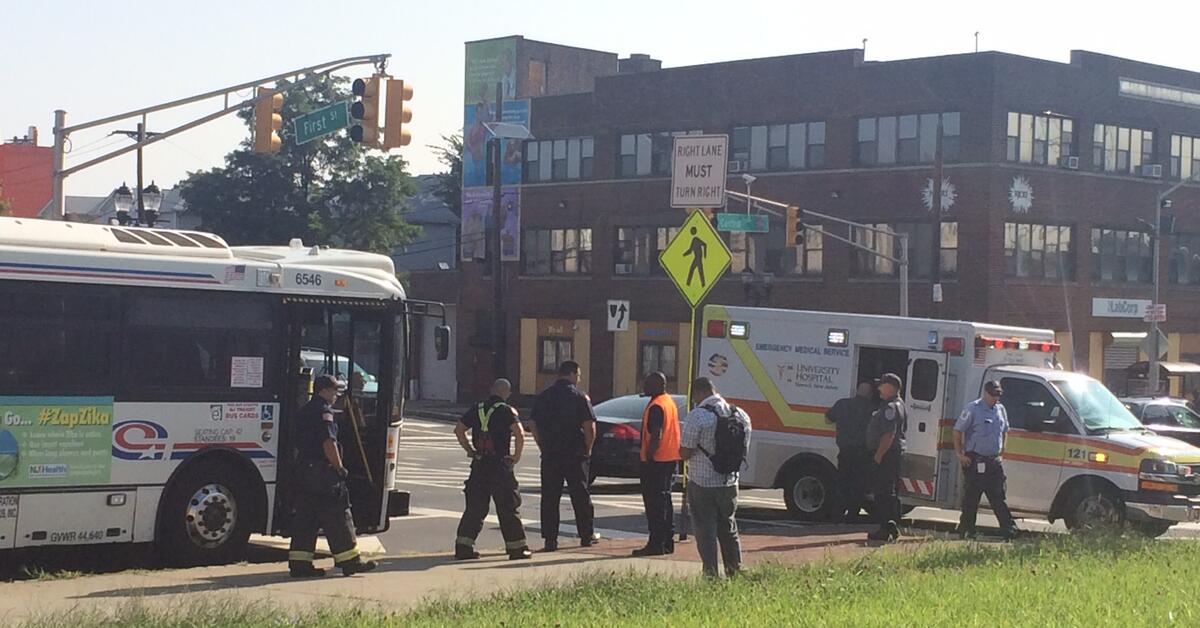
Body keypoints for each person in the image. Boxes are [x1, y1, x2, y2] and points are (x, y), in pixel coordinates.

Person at [288, 375, 377, 578]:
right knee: (338, 515)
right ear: (324, 391)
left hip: (303, 471)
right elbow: (329, 443)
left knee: (306, 519)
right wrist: (339, 468)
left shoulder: (304, 411)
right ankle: (350, 561)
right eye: (334, 391)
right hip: (323, 474)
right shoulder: (324, 412)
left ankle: (299, 564)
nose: (336, 395)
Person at [453, 378, 533, 561]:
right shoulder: (507, 410)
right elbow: (520, 433)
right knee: (508, 507)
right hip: (499, 466)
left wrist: (470, 451)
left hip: (480, 464)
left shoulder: (478, 408)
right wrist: (516, 456)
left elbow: (458, 430)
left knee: (475, 508)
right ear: (507, 393)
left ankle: (464, 547)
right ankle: (517, 548)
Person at [680, 377, 750, 578]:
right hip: (730, 482)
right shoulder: (741, 415)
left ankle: (711, 575)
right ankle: (734, 571)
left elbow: (685, 452)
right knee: (728, 527)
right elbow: (743, 449)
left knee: (705, 531)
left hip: (703, 483)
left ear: (698, 393)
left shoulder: (698, 416)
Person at [530, 361, 599, 552]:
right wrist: (588, 448)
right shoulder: (579, 397)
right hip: (575, 453)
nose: (579, 378)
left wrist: (542, 445)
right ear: (571, 374)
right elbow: (589, 426)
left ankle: (550, 540)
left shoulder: (544, 396)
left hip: (551, 453)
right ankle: (586, 535)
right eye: (578, 375)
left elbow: (533, 423)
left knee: (550, 496)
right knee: (580, 495)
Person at [954, 380, 1019, 540]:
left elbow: (1005, 430)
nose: (995, 398)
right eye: (993, 395)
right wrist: (960, 454)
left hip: (993, 462)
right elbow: (957, 430)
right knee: (971, 498)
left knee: (998, 497)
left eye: (998, 395)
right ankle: (967, 530)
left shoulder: (1000, 410)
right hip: (975, 460)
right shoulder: (972, 409)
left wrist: (1002, 450)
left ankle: (1008, 529)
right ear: (985, 393)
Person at [634, 372, 680, 556]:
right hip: (670, 459)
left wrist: (649, 457)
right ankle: (667, 542)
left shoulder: (656, 406)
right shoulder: (669, 402)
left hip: (657, 462)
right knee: (665, 502)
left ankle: (656, 544)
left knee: (655, 506)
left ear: (659, 385)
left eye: (648, 383)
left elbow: (656, 434)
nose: (644, 386)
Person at [825, 381, 876, 520]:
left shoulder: (842, 404)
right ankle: (853, 514)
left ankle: (837, 513)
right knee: (857, 484)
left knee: (842, 482)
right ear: (870, 395)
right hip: (862, 453)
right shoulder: (871, 409)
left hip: (845, 451)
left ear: (856, 391)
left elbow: (828, 419)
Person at [865, 373, 906, 542]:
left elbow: (888, 434)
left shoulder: (890, 407)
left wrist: (878, 456)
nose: (879, 388)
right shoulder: (899, 404)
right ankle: (892, 526)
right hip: (893, 455)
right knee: (891, 492)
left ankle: (884, 529)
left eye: (881, 385)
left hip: (887, 455)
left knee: (883, 492)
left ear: (890, 387)